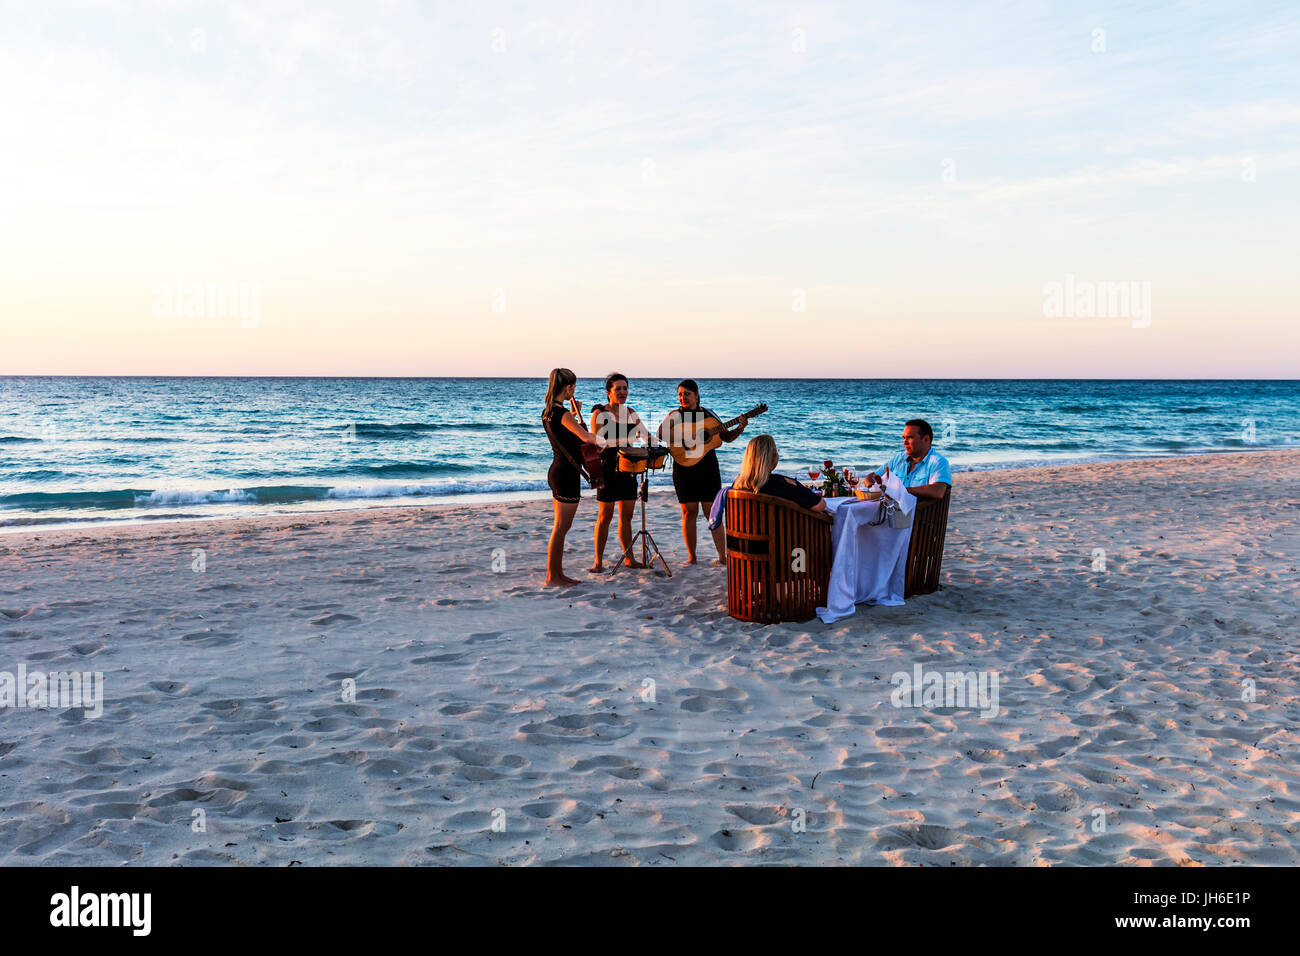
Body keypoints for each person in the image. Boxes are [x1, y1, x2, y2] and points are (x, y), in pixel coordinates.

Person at [657, 379, 747, 564]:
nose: (683, 397)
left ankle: (722, 556)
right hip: (683, 467)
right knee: (688, 512)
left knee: (711, 511)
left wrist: (740, 427)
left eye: (687, 394)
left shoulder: (709, 415)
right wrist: (686, 436)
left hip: (707, 468)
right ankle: (692, 556)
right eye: (680, 394)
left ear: (696, 395)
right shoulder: (674, 415)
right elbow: (660, 433)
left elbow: (726, 437)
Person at [541, 368, 603, 587]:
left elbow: (564, 433)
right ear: (567, 387)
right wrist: (610, 441)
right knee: (561, 528)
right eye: (573, 387)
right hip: (566, 475)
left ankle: (556, 573)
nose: (574, 392)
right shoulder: (563, 414)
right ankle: (553, 576)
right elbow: (586, 437)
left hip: (557, 471)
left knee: (559, 527)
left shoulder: (549, 412)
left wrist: (574, 416)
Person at [588, 372, 650, 572]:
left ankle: (629, 558)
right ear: (609, 392)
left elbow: (644, 434)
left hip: (629, 467)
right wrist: (621, 443)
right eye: (618, 389)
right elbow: (597, 443)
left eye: (625, 388)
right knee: (605, 516)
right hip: (607, 467)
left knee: (627, 516)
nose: (623, 392)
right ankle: (598, 561)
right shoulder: (599, 413)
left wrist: (652, 442)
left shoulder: (631, 412)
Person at [732, 433, 829, 512]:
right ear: (772, 457)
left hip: (744, 536)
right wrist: (797, 485)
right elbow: (820, 505)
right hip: (780, 536)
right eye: (776, 451)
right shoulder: (781, 484)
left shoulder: (738, 484)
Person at [865, 418, 952, 500]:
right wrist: (872, 487)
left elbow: (938, 491)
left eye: (910, 437)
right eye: (904, 438)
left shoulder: (938, 462)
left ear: (926, 439)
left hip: (916, 513)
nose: (905, 442)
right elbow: (872, 477)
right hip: (892, 511)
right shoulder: (899, 458)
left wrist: (902, 491)